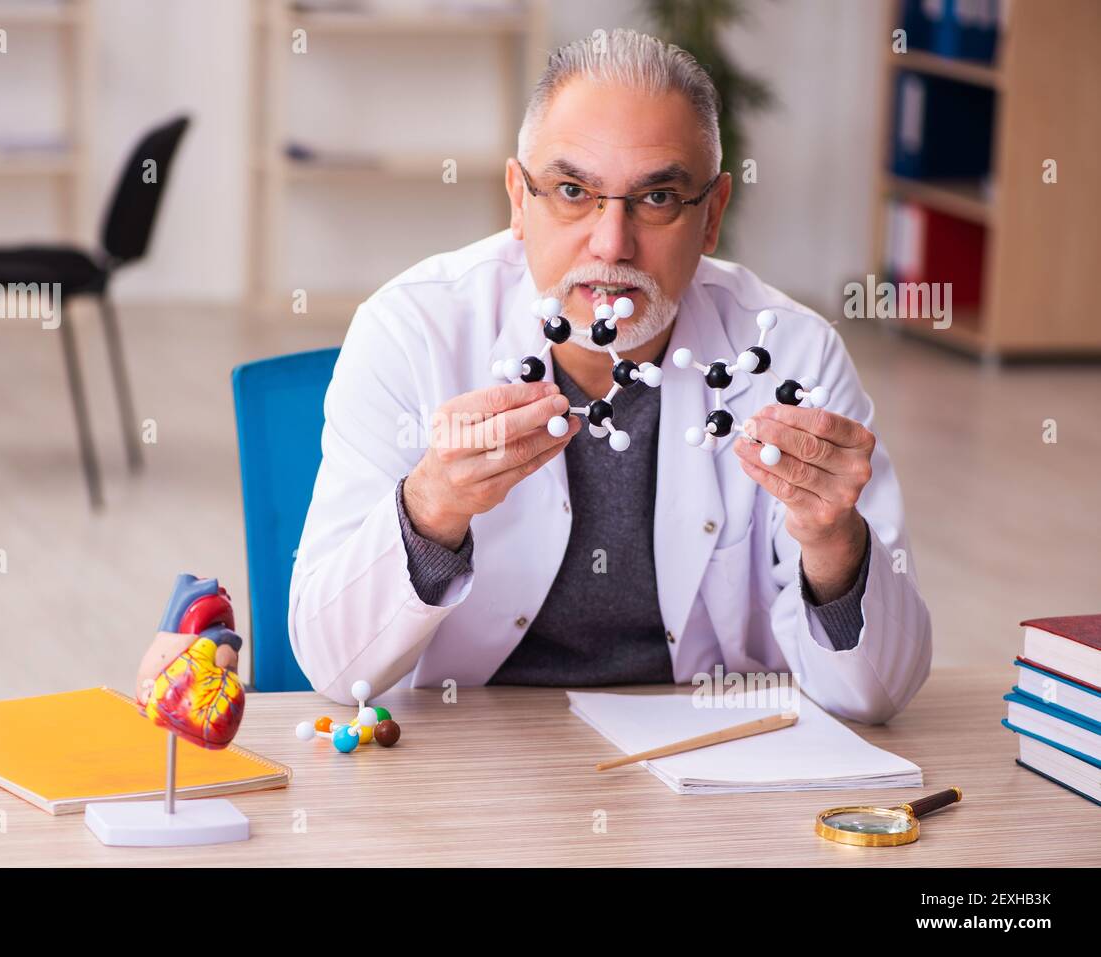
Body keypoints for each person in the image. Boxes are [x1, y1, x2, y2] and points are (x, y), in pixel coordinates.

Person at [288, 29, 931, 723]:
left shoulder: (791, 355)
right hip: (466, 771)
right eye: (572, 191)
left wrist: (834, 542)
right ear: (517, 199)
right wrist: (432, 507)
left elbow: (879, 694)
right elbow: (333, 665)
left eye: (656, 199)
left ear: (712, 214)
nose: (611, 244)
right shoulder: (412, 331)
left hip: (703, 771)